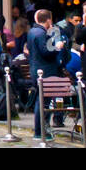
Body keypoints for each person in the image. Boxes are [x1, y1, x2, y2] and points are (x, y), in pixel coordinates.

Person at [26, 10, 66, 140]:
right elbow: (46, 51)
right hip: (45, 71)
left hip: (36, 70)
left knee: (41, 101)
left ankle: (39, 131)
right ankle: (40, 131)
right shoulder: (41, 33)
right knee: (44, 102)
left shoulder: (32, 31)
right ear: (48, 20)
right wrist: (58, 46)